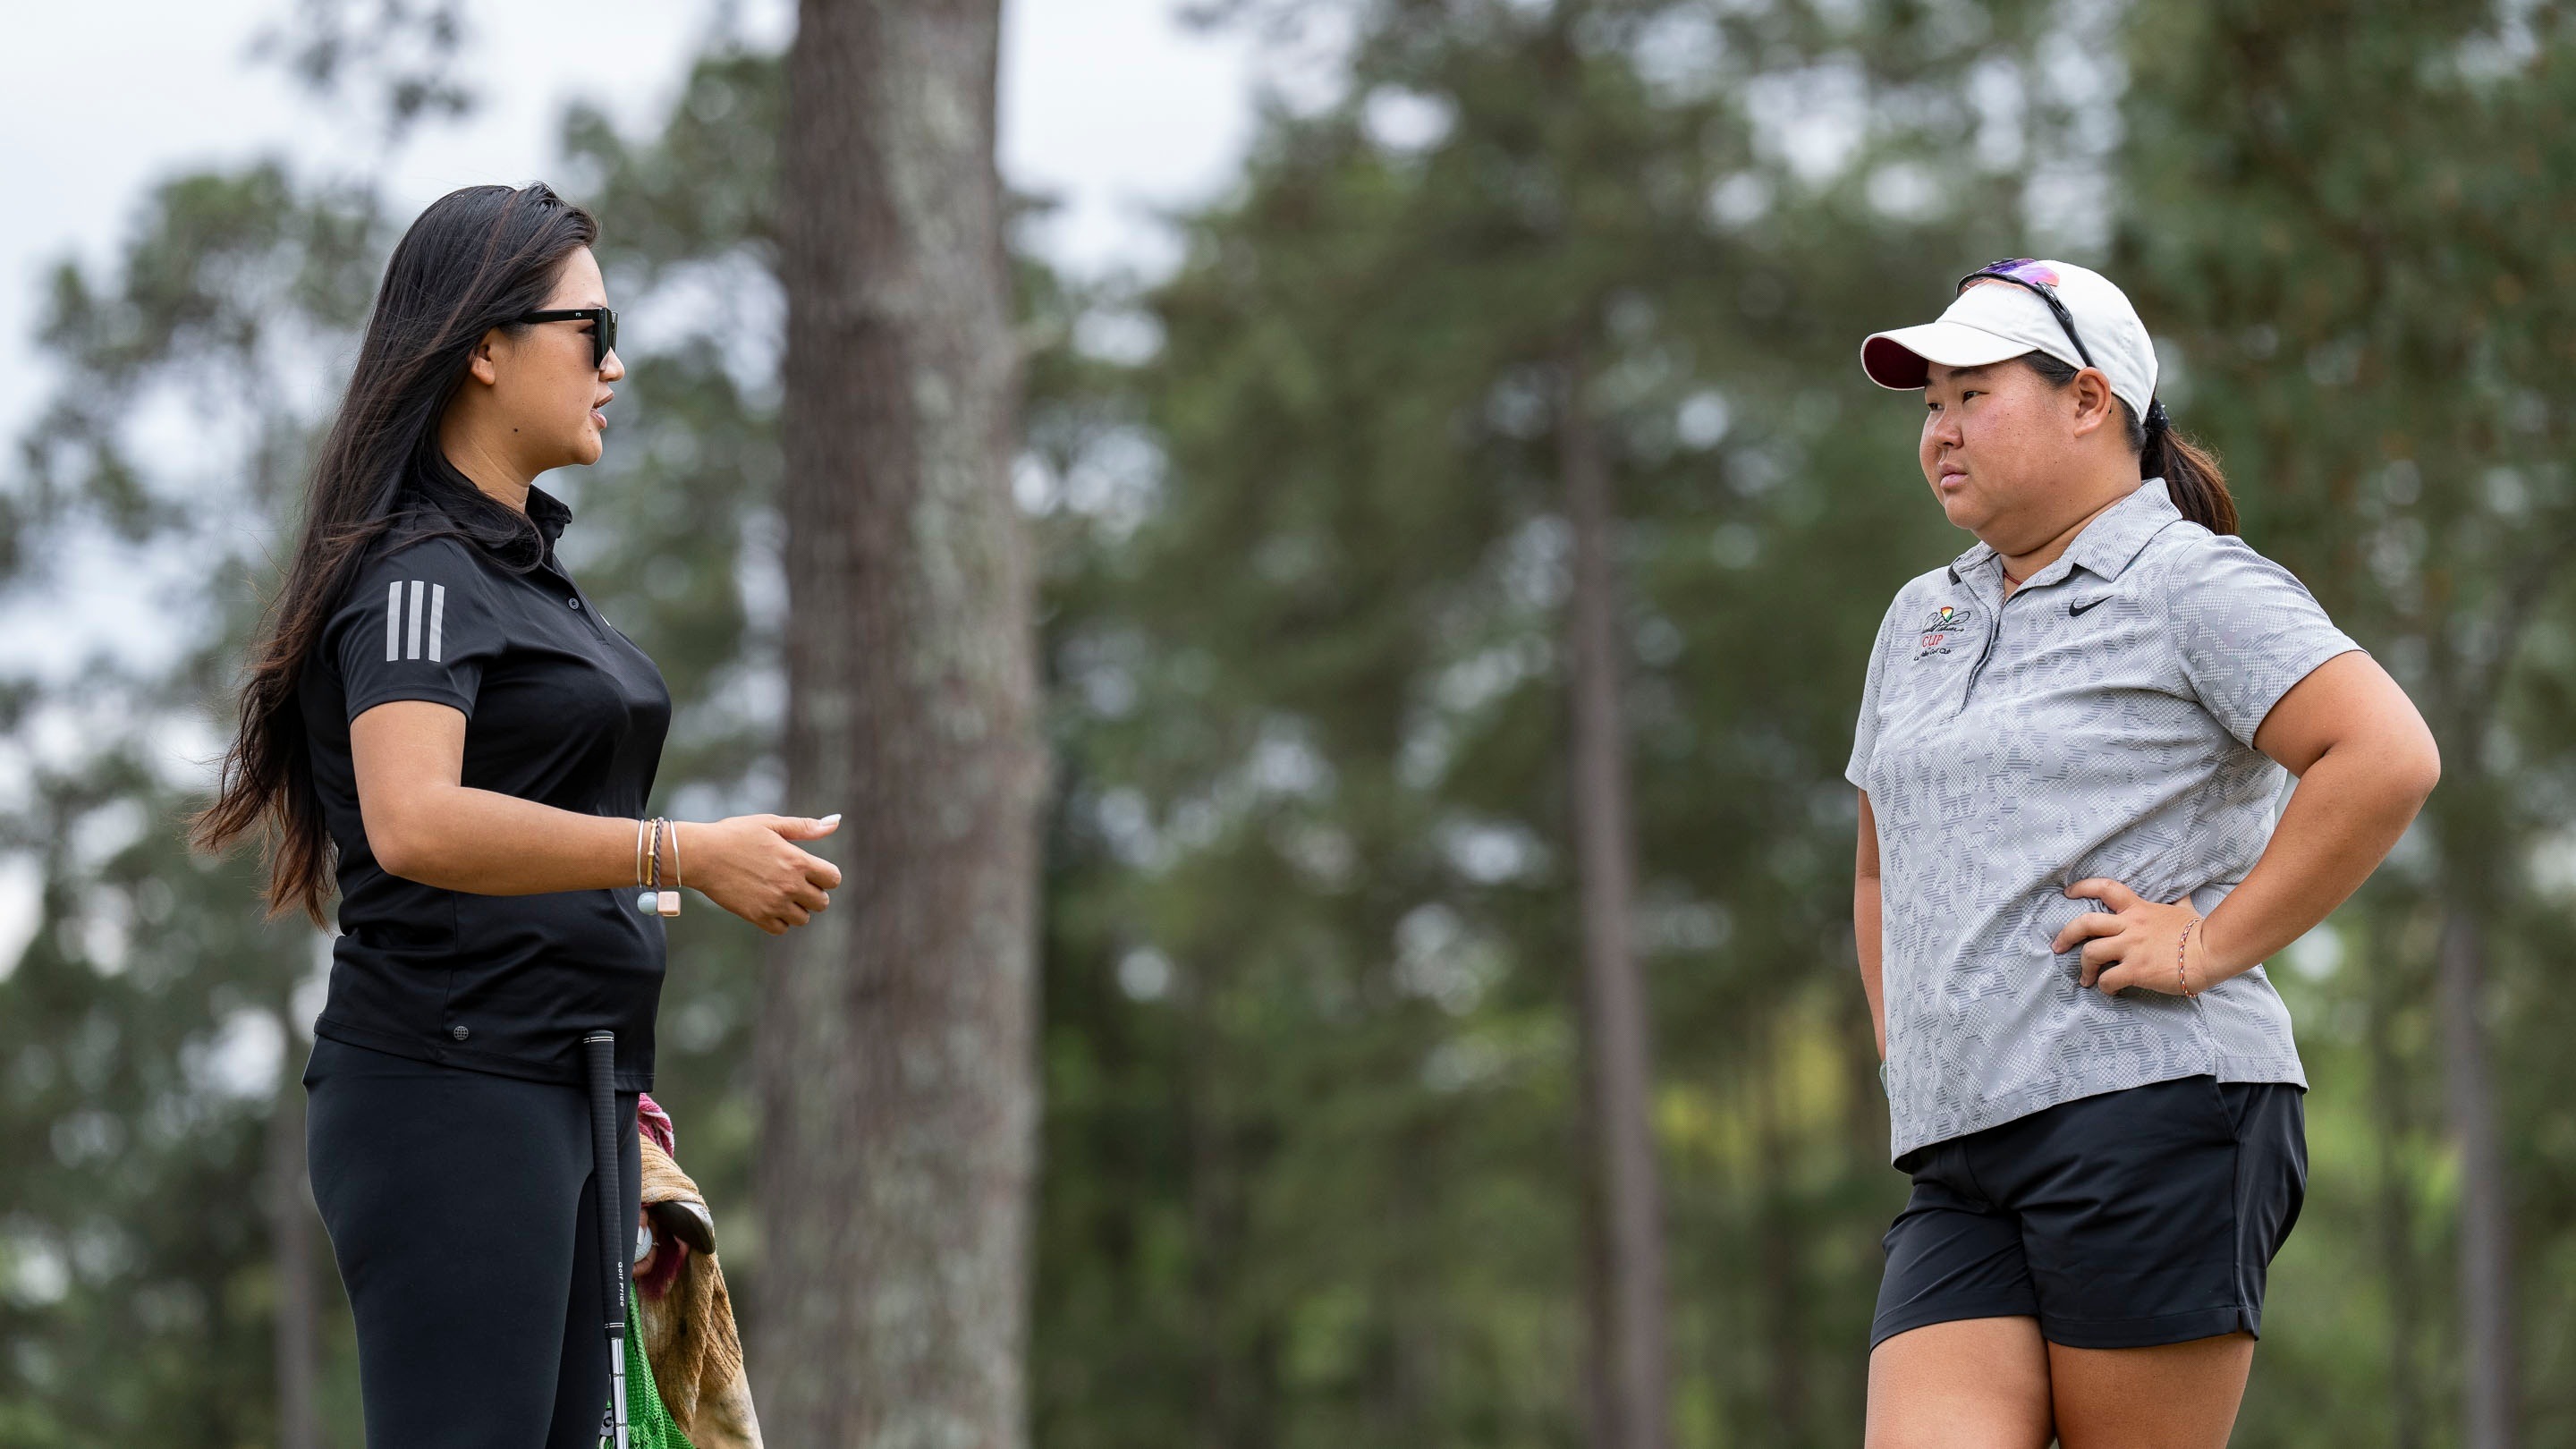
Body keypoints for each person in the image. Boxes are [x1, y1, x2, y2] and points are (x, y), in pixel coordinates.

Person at [191, 182, 843, 1448]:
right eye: (590, 330)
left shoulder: (524, 573)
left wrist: (629, 909)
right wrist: (684, 855)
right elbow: (416, 824)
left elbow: (533, 819)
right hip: (453, 1101)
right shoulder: (419, 577)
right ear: (485, 347)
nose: (617, 362)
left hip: (570, 1099)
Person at [1843, 258, 2441, 1448]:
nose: (1941, 430)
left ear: (2090, 402)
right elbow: (1878, 861)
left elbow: (2384, 755)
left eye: (1974, 394)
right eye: (1930, 405)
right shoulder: (1923, 616)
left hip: (2155, 1111)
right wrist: (1907, 1048)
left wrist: (2207, 944)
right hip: (1962, 1150)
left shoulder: (2191, 583)